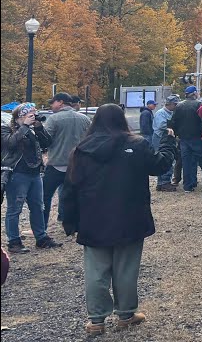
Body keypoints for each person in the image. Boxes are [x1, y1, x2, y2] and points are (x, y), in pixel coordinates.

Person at [61, 103, 177, 336]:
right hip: (129, 216)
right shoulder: (136, 144)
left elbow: (70, 188)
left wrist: (70, 221)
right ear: (122, 119)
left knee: (95, 271)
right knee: (126, 268)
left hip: (93, 218)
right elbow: (160, 165)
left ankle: (96, 320)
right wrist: (167, 142)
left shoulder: (81, 150)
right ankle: (125, 314)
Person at [2, 104, 61, 253]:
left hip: (35, 174)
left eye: (34, 114)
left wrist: (39, 127)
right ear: (19, 116)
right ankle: (14, 242)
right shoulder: (6, 129)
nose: (33, 117)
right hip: (17, 174)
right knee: (15, 209)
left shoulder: (33, 130)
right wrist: (25, 126)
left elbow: (47, 143)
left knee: (38, 207)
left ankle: (41, 238)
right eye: (30, 115)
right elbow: (10, 144)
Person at [42, 91, 92, 231]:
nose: (51, 105)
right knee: (75, 196)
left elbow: (45, 140)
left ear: (61, 102)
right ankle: (74, 225)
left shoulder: (53, 119)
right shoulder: (85, 119)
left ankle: (41, 227)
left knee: (45, 197)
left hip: (56, 164)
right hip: (77, 164)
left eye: (53, 102)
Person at [168, 85, 202, 192]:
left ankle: (188, 186)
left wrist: (176, 134)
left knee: (186, 162)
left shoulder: (179, 106)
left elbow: (173, 121)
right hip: (197, 138)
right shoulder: (199, 105)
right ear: (194, 94)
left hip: (183, 138)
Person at [152, 96, 179, 191]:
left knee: (165, 160)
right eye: (175, 104)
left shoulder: (172, 113)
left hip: (167, 139)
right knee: (165, 160)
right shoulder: (161, 113)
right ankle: (164, 183)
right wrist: (169, 128)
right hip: (161, 139)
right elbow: (161, 125)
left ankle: (162, 182)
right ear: (169, 104)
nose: (176, 106)